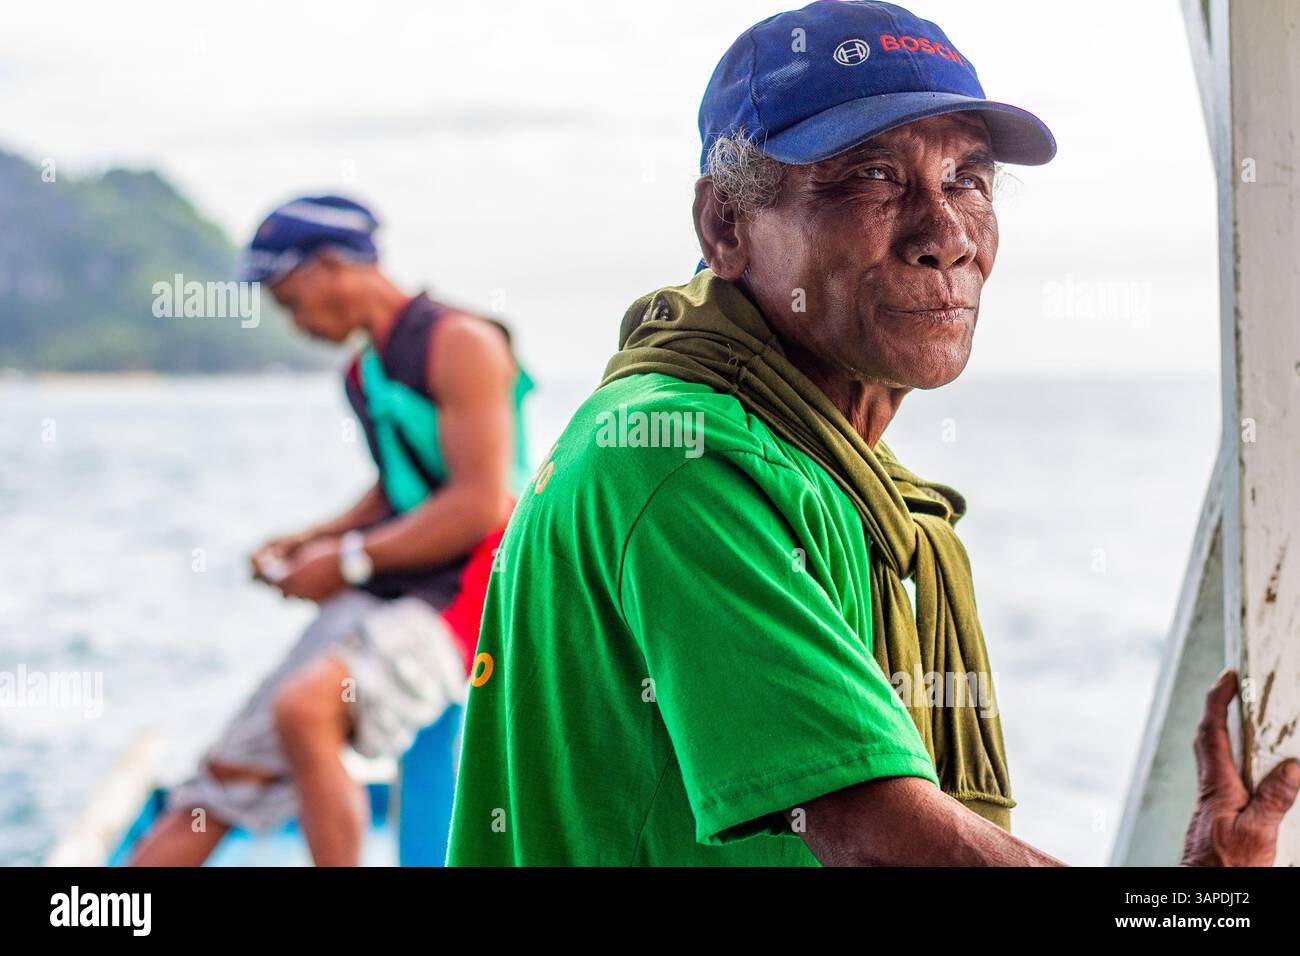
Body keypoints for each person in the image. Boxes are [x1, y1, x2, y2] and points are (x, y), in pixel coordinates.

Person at [447, 1, 1299, 866]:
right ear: (726, 227)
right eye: (875, 178)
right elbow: (881, 844)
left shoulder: (833, 471)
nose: (947, 234)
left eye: (969, 177)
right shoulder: (677, 456)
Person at [131, 195, 531, 866]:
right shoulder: (362, 370)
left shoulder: (462, 343)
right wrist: (309, 540)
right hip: (396, 587)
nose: (292, 322)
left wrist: (344, 562)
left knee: (304, 711)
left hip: (476, 591)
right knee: (226, 770)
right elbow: (398, 487)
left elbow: (478, 503)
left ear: (331, 267)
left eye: (289, 301)